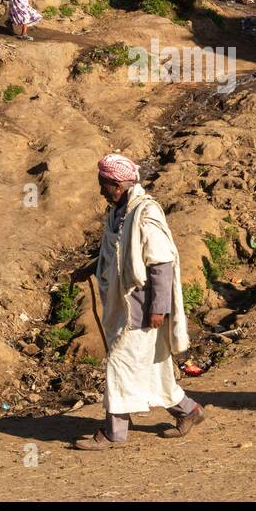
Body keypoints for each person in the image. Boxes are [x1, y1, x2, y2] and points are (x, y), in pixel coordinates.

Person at [71, 154, 203, 449]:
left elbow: (161, 263)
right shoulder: (119, 211)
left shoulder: (145, 213)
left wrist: (158, 307)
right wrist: (89, 268)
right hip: (125, 304)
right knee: (154, 366)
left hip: (139, 307)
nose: (101, 191)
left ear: (117, 185)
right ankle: (188, 410)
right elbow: (116, 252)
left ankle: (114, 432)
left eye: (103, 185)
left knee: (118, 363)